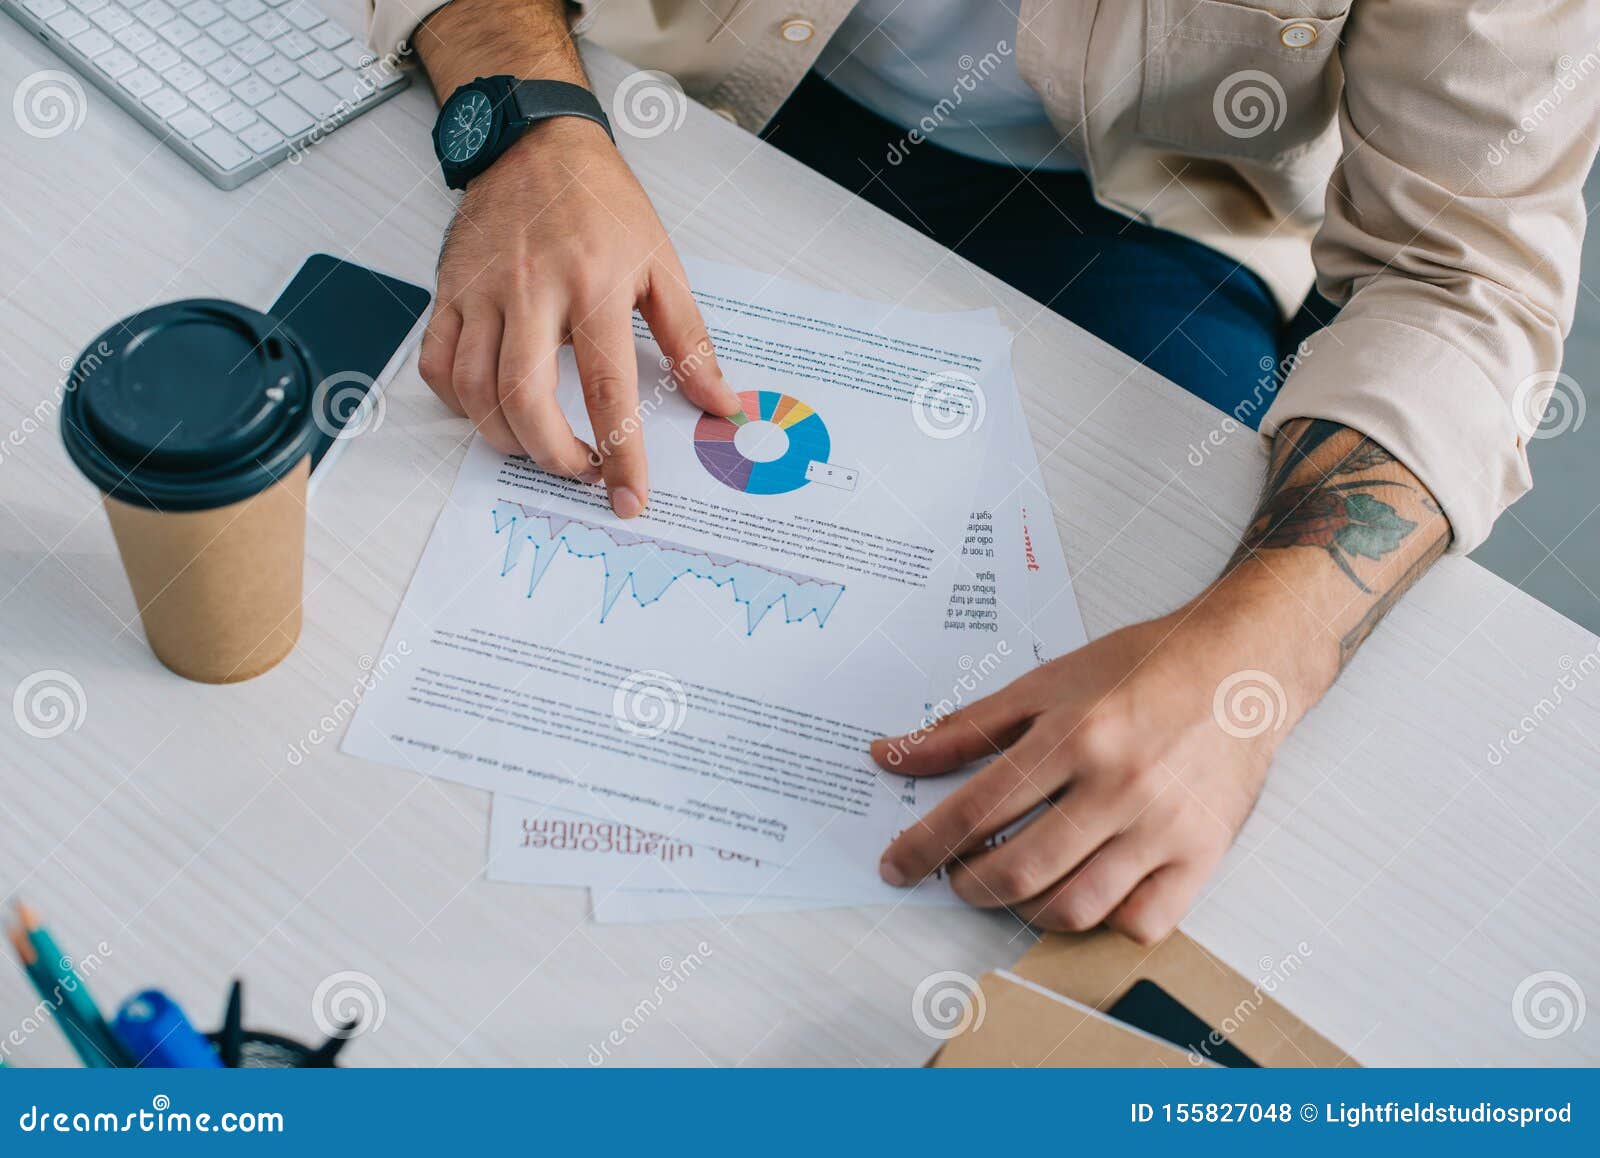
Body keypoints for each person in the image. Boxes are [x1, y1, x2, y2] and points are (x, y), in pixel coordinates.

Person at [367, 0, 1597, 943]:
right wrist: (523, 129)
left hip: (1144, 213)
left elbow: (1463, 281)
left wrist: (1253, 665)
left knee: (1100, 811)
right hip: (676, 75)